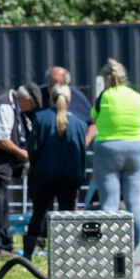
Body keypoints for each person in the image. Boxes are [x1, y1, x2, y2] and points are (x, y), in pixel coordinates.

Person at [0, 83, 42, 258]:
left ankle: (5, 244)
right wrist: (22, 154)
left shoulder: (11, 105)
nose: (29, 109)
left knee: (1, 207)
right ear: (27, 99)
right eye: (31, 105)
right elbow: (1, 139)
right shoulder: (5, 106)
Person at [22, 83, 87, 259]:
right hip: (69, 178)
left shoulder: (41, 118)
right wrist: (80, 178)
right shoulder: (79, 124)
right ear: (69, 100)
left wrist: (34, 167)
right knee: (67, 217)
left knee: (38, 214)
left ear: (51, 97)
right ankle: (68, 254)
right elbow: (82, 153)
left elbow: (33, 148)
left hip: (44, 176)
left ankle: (27, 254)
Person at [89, 59, 140, 247]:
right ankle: (138, 248)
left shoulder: (104, 96)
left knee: (109, 203)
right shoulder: (138, 97)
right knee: (135, 202)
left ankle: (109, 248)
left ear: (107, 79)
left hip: (108, 149)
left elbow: (93, 117)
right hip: (136, 148)